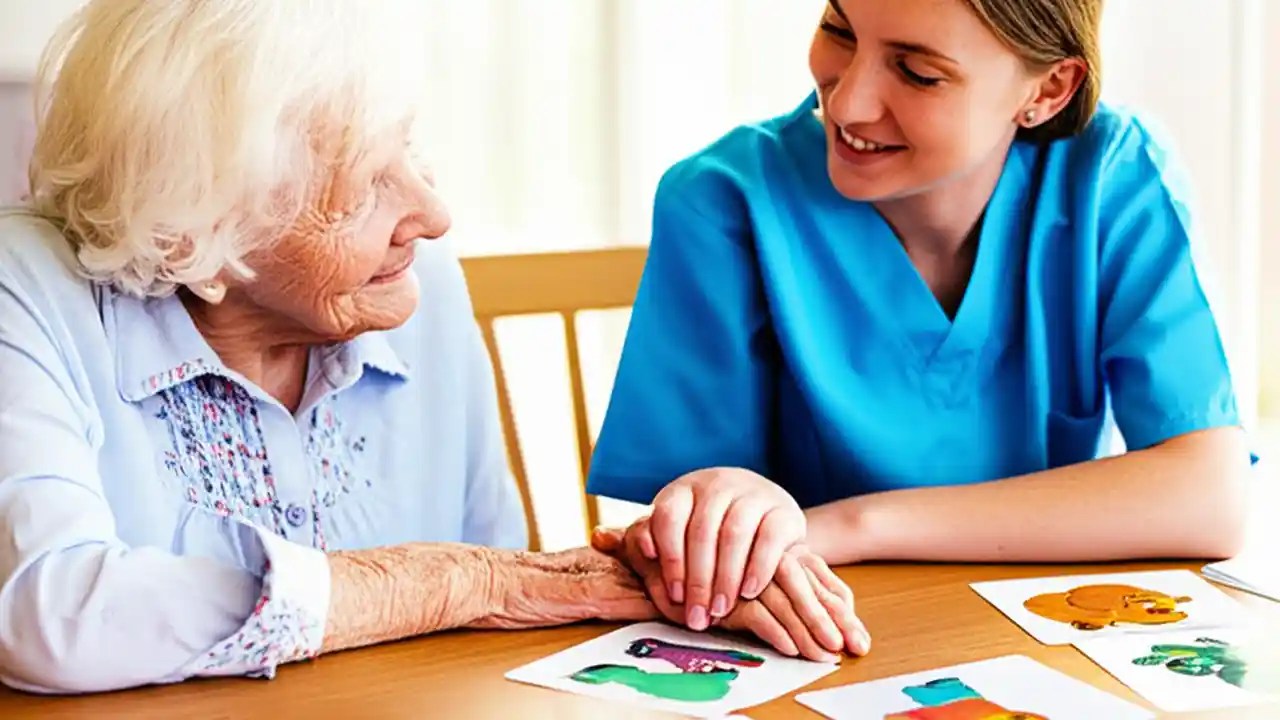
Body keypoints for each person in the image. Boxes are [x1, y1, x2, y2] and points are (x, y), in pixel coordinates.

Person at [0, 0, 858, 695]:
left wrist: (677, 572)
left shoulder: (412, 289)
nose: (432, 215)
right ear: (199, 232)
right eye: (368, 185)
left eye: (407, 149)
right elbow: (50, 618)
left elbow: (500, 581)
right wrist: (456, 582)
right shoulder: (24, 291)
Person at [587, 0, 1251, 642]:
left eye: (918, 72)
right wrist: (714, 511)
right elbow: (697, 547)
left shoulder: (1112, 174)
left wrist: (848, 526)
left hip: (1033, 639)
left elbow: (1208, 496)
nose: (845, 102)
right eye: (838, 29)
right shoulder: (721, 202)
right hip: (820, 642)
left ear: (1049, 89)